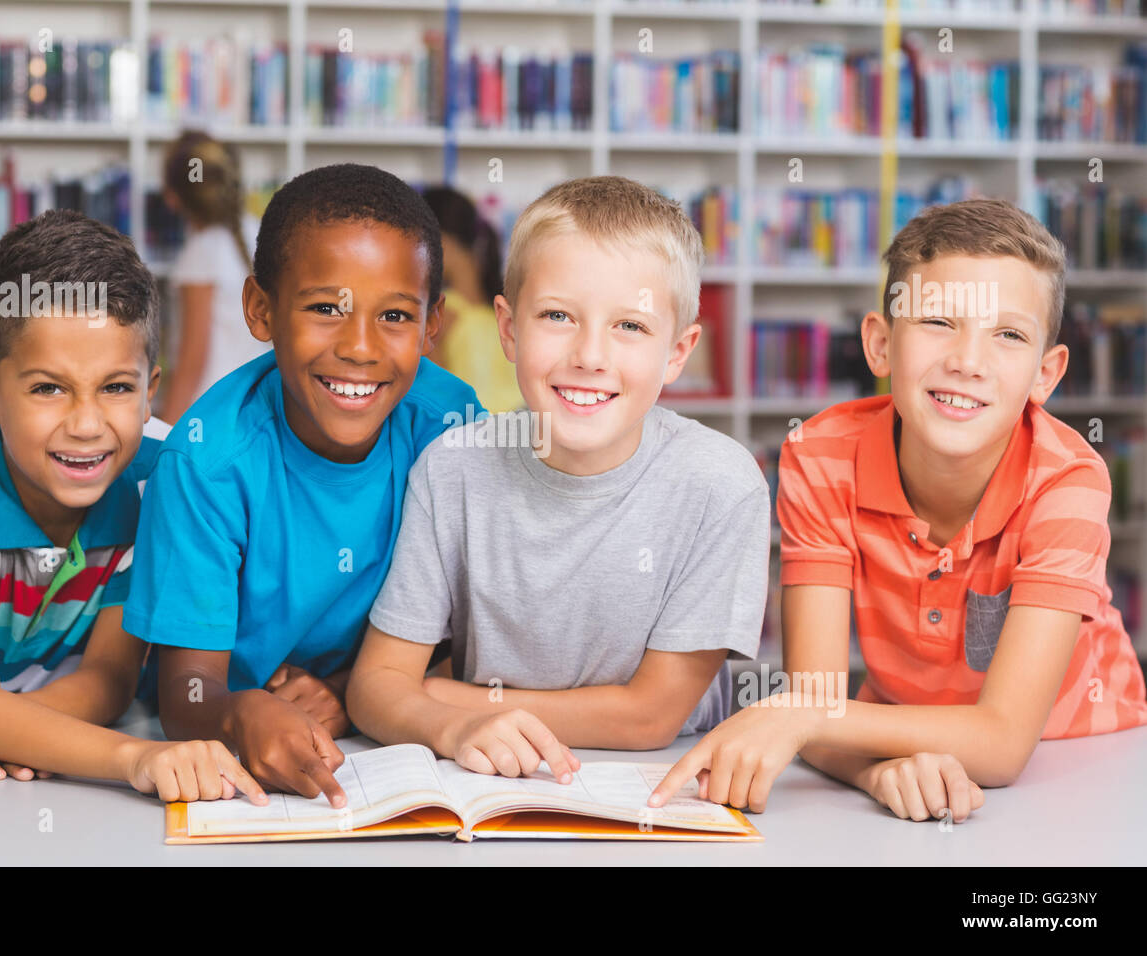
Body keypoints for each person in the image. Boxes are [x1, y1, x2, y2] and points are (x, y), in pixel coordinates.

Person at [650, 198, 1147, 823]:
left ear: (1045, 374)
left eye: (1009, 335)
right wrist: (878, 772)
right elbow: (818, 709)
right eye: (939, 322)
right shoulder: (820, 457)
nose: (968, 361)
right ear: (880, 345)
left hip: (1089, 766)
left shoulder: (1068, 483)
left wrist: (806, 714)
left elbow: (1000, 744)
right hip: (903, 751)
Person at [346, 175, 770, 781]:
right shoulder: (451, 468)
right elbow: (376, 688)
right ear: (509, 329)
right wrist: (456, 723)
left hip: (661, 785)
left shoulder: (720, 486)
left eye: (631, 326)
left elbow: (649, 718)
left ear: (678, 352)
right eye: (557, 316)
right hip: (487, 776)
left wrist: (440, 695)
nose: (590, 355)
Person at [123, 164, 483, 808]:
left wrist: (347, 689)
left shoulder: (451, 428)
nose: (360, 348)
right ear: (261, 310)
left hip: (388, 739)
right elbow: (186, 695)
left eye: (396, 315)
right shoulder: (207, 462)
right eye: (325, 309)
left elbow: (474, 635)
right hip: (233, 744)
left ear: (433, 327)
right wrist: (239, 713)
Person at [0, 209, 264, 805]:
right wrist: (137, 760)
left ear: (149, 391)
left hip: (42, 759)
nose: (87, 425)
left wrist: (6, 731)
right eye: (47, 388)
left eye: (116, 387)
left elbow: (108, 679)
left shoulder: (163, 480)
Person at [158, 130, 269, 423]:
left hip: (209, 415)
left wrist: (162, 440)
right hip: (253, 409)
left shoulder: (201, 254)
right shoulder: (263, 234)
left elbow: (192, 364)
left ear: (173, 197)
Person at [423, 186, 523, 413]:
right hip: (524, 435)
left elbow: (434, 399)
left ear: (439, 240)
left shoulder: (441, 314)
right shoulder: (509, 308)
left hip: (473, 436)